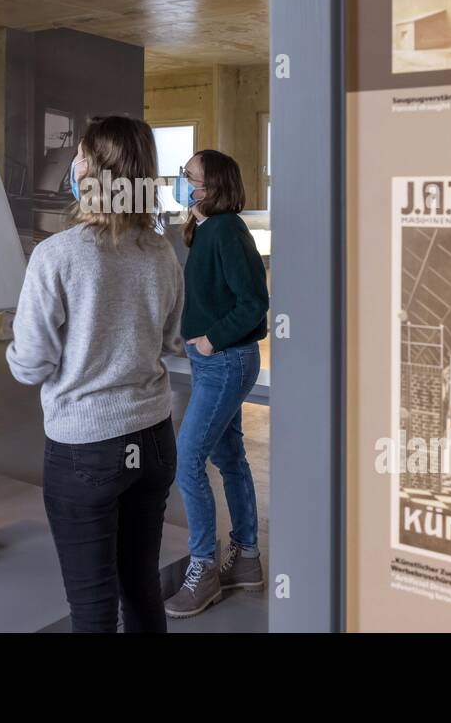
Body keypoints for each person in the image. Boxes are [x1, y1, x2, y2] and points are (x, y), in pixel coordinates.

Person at [6, 115, 184, 633]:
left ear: (92, 171)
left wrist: (21, 350)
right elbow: (171, 338)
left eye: (79, 156)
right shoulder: (161, 252)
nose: (73, 164)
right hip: (153, 438)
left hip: (86, 446)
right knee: (141, 584)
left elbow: (31, 365)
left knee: (92, 605)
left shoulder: (55, 255)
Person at [164, 149, 268, 618]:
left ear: (214, 186)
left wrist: (210, 340)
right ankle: (246, 558)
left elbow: (254, 302)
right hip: (214, 362)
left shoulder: (228, 230)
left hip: (226, 362)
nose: (183, 183)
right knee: (229, 458)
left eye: (190, 177)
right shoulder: (206, 228)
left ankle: (204, 568)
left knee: (187, 460)